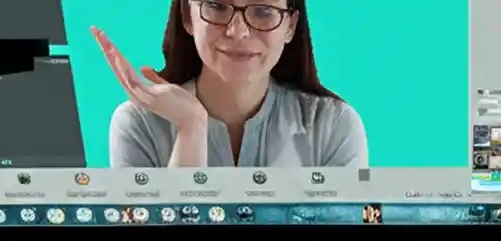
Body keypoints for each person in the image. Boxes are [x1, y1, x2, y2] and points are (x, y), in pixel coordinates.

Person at [93, 0, 368, 168]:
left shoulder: (334, 126)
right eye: (216, 6)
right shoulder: (138, 124)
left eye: (263, 10)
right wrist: (191, 127)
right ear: (188, 16)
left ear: (290, 27)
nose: (238, 31)